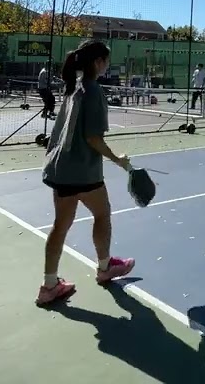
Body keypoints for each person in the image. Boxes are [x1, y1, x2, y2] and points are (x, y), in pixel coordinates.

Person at [35, 39, 137, 307]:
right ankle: (105, 268)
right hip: (83, 171)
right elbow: (93, 138)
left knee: (60, 226)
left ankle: (49, 286)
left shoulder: (73, 88)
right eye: (106, 60)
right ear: (97, 62)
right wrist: (118, 160)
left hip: (60, 169)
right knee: (102, 214)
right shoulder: (92, 91)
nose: (108, 64)